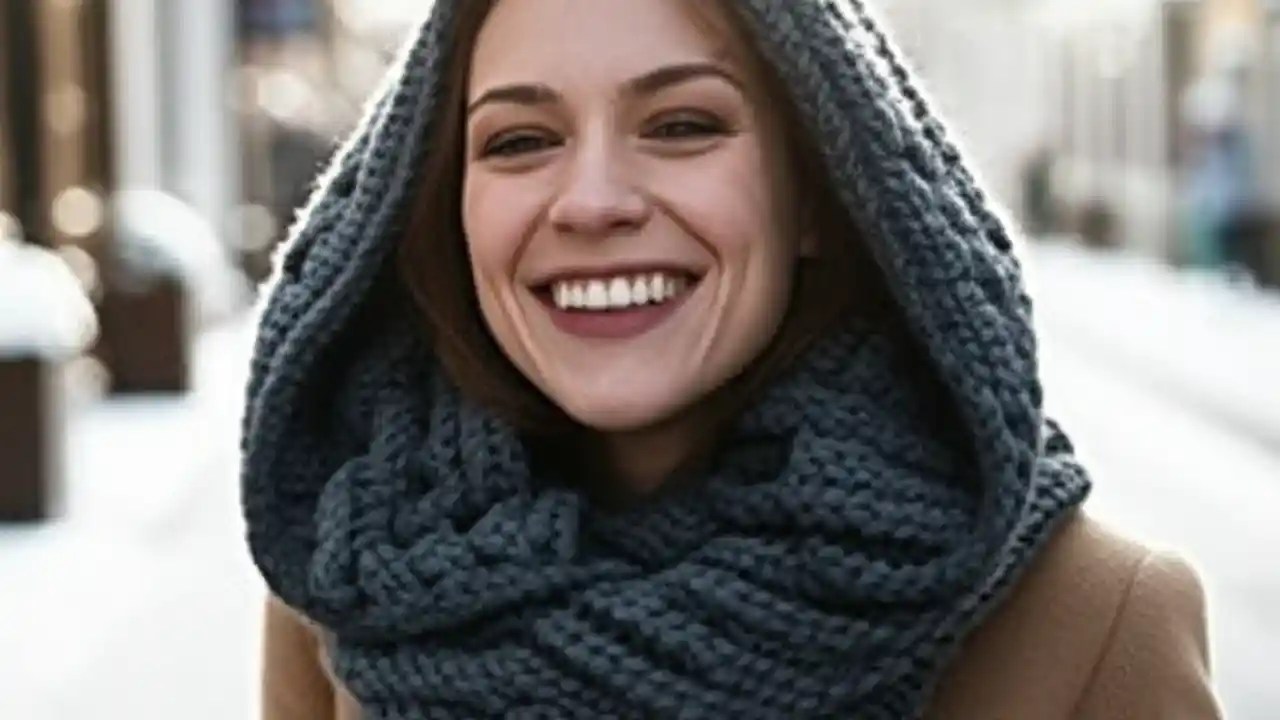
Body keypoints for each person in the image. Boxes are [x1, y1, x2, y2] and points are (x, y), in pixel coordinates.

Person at [241, 1, 1222, 717]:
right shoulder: (357, 586)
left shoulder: (1091, 621)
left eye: (681, 126)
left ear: (817, 195)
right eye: (520, 139)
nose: (590, 201)